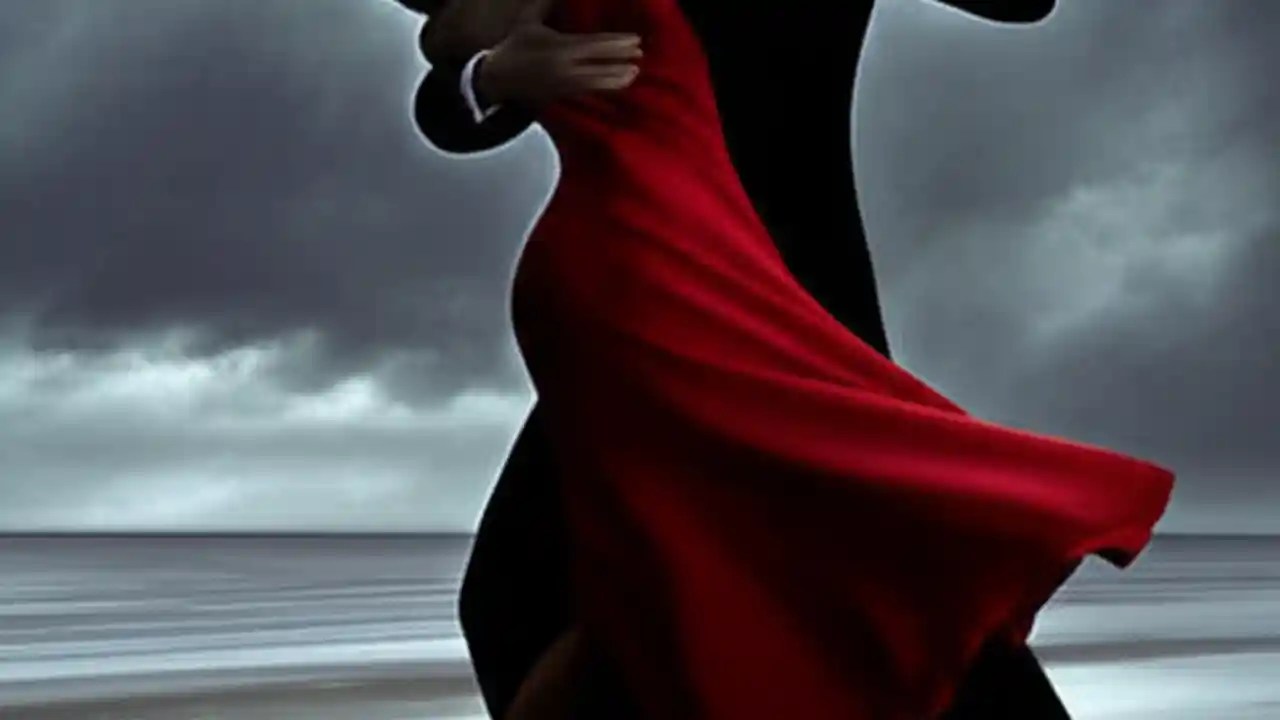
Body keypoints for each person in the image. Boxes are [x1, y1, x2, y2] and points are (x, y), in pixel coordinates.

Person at [402, 0, 1176, 717]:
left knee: (878, 590)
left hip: (795, 309)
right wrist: (493, 78)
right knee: (529, 598)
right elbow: (450, 83)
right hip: (645, 315)